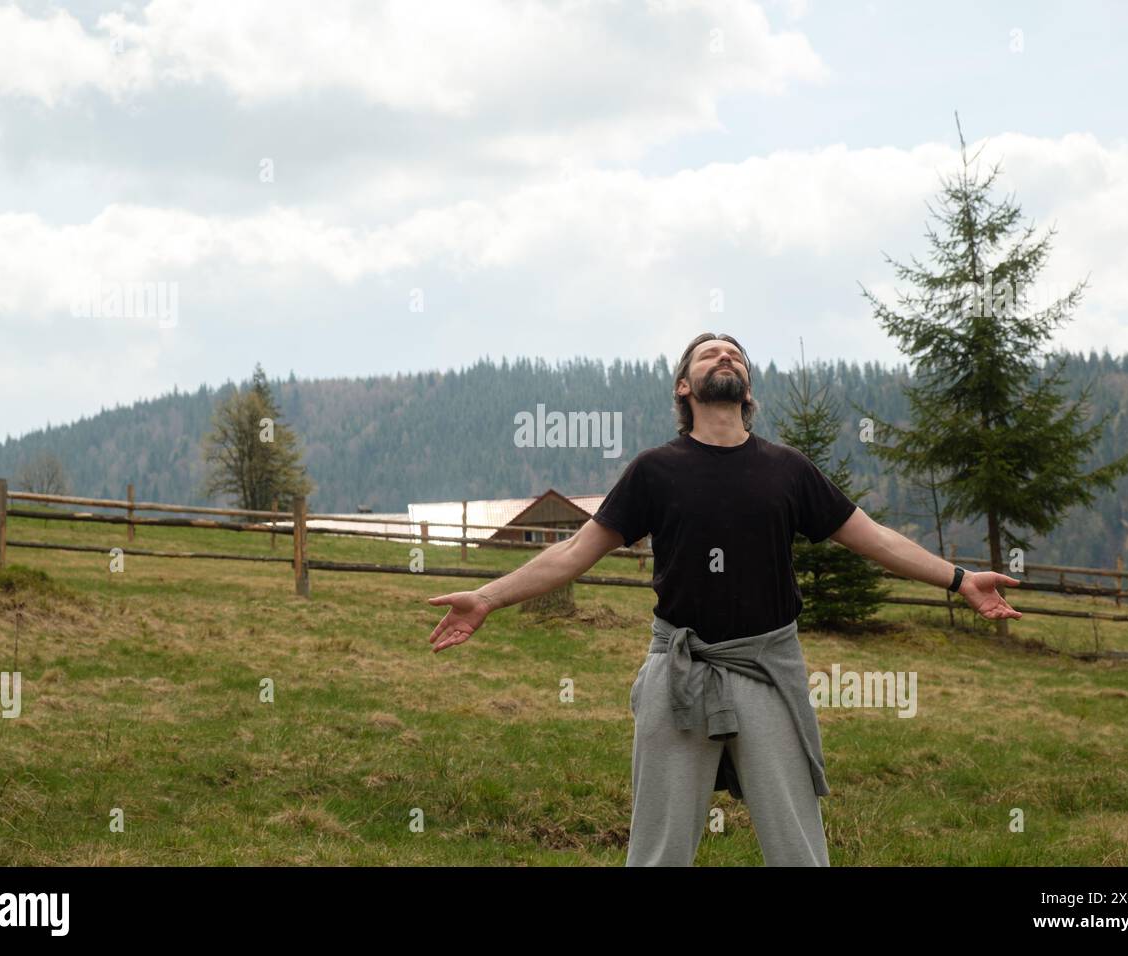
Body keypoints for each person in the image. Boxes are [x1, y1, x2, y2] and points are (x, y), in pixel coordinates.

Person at [425, 332, 1021, 865]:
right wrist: (487, 597)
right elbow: (572, 553)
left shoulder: (788, 470)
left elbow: (876, 538)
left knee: (798, 849)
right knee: (657, 850)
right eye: (708, 352)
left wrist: (959, 578)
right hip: (678, 670)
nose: (725, 354)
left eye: (734, 352)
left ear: (747, 388)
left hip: (768, 669)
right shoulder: (654, 471)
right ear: (685, 386)